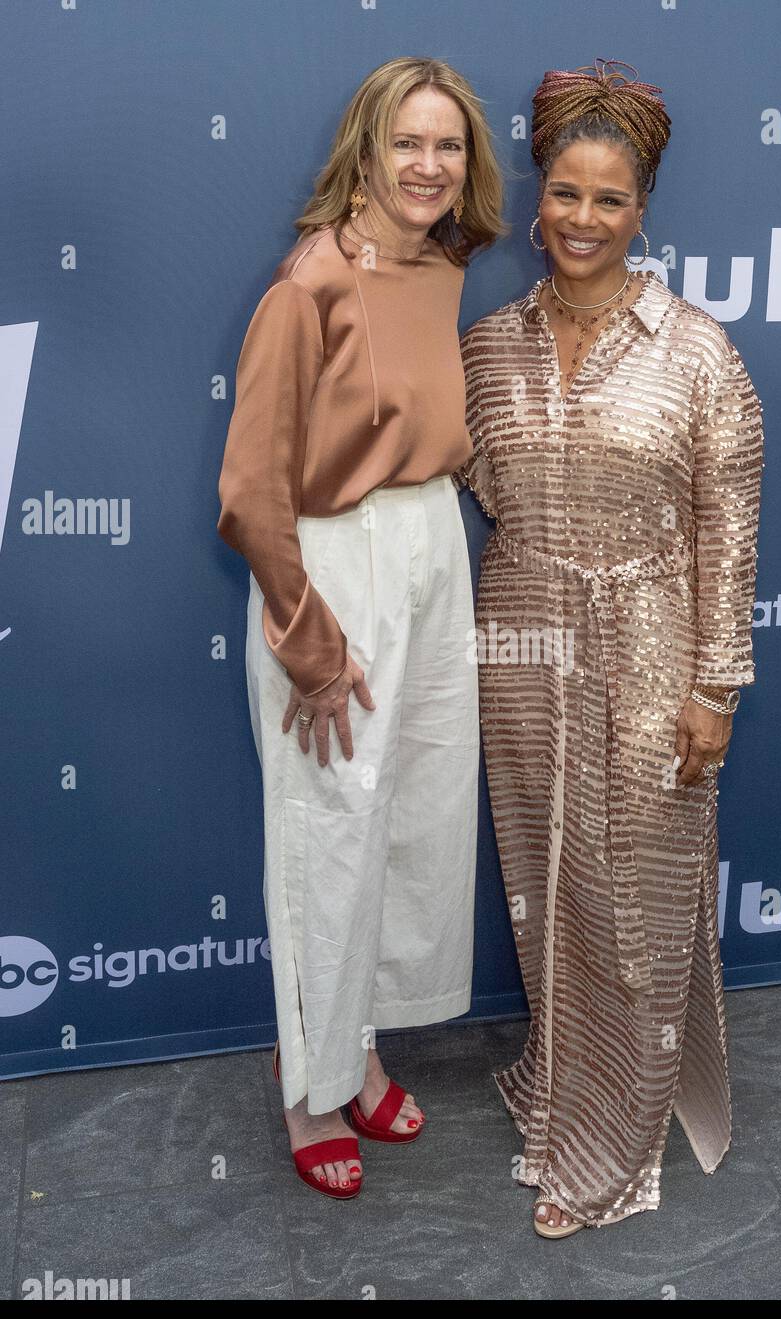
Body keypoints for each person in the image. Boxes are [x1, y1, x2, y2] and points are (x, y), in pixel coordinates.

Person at [454, 58, 765, 1234]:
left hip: (650, 648)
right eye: (564, 193)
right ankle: (563, 1087)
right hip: (518, 645)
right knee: (545, 890)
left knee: (633, 895)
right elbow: (470, 480)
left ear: (641, 211)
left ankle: (606, 1153)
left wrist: (713, 685)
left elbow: (727, 526)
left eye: (609, 198)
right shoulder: (486, 347)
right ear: (536, 197)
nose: (582, 218)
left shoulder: (697, 351)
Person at [217, 57, 504, 1199]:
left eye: (448, 145)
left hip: (432, 548)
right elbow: (250, 492)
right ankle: (309, 1086)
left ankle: (361, 1052)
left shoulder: (441, 267)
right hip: (335, 565)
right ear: (365, 150)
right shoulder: (310, 283)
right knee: (329, 831)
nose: (428, 165)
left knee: (414, 817)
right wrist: (309, 642)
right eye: (407, 143)